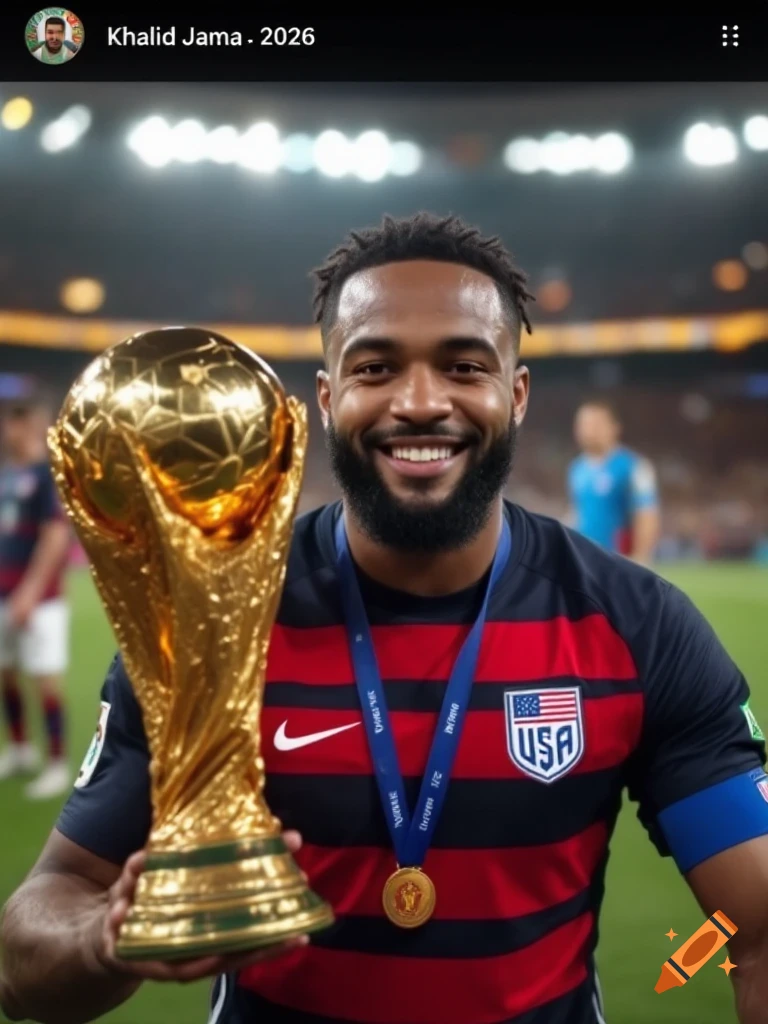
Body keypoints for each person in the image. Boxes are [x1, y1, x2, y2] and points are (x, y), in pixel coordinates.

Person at [2, 212, 768, 1024]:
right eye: (376, 367)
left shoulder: (639, 626)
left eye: (463, 365)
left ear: (516, 393)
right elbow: (29, 949)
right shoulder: (204, 627)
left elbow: (759, 927)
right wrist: (103, 939)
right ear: (328, 399)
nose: (419, 402)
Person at [0, 396, 72, 798]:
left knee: (46, 680)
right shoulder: (8, 474)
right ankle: (21, 748)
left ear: (28, 424)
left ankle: (58, 763)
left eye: (13, 420)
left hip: (39, 600)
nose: (7, 429)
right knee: (6, 673)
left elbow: (55, 536)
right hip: (3, 593)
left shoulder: (47, 477)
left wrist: (30, 591)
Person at [567, 399, 660, 563]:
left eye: (596, 425)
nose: (588, 431)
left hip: (619, 561)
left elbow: (647, 514)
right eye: (583, 424)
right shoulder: (576, 469)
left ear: (614, 428)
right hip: (583, 560)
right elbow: (579, 512)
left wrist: (641, 558)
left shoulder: (635, 467)